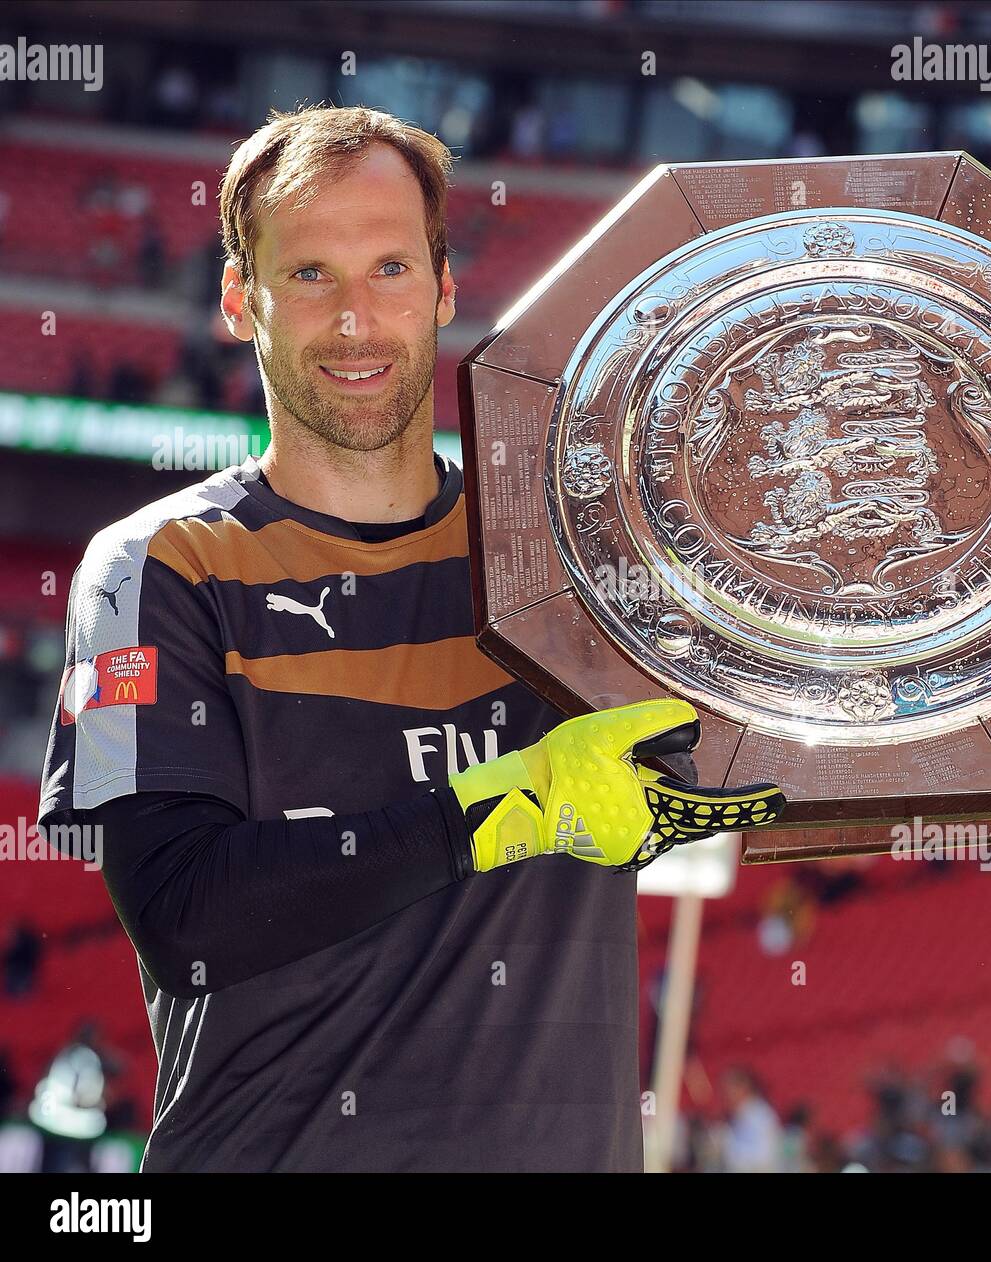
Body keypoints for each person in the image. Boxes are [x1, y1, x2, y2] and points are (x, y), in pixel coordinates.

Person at [37, 104, 786, 1173]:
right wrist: (495, 809)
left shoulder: (571, 558)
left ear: (442, 288)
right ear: (240, 300)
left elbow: (757, 748)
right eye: (309, 274)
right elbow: (184, 915)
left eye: (390, 268)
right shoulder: (150, 567)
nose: (355, 319)